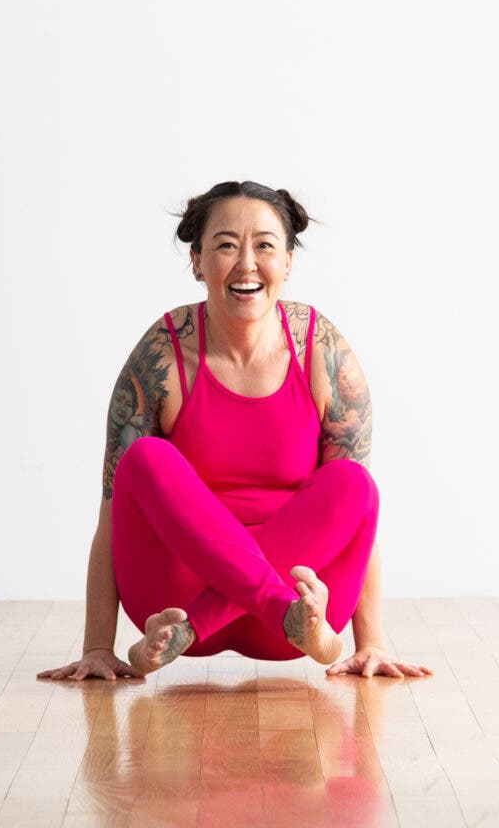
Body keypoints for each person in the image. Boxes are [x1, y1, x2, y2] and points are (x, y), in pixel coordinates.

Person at [37, 181, 434, 682]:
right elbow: (114, 513)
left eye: (264, 245)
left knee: (354, 482)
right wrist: (97, 645)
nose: (246, 263)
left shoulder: (323, 353)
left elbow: (355, 518)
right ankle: (257, 616)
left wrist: (371, 643)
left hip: (294, 610)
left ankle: (235, 620)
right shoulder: (162, 355)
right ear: (198, 262)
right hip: (175, 600)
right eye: (226, 245)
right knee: (144, 460)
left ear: (288, 261)